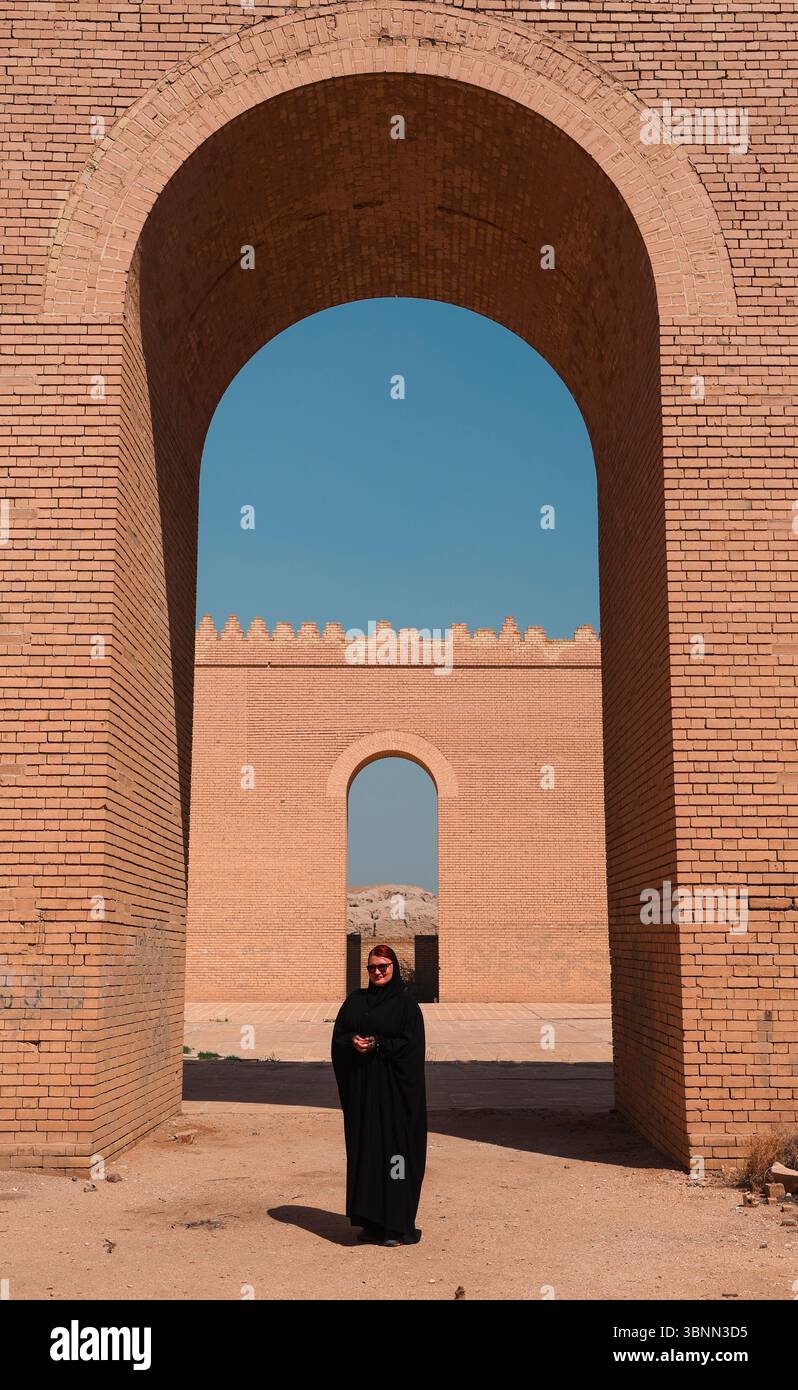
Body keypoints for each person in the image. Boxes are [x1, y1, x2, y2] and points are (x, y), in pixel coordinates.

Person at [331, 943, 427, 1246]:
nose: (377, 972)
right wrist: (352, 1043)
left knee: (395, 1158)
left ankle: (397, 1226)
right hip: (363, 1094)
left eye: (383, 966)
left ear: (393, 968)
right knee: (367, 1153)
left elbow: (412, 1047)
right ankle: (371, 1222)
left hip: (395, 1097)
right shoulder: (355, 1001)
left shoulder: (406, 1005)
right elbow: (339, 1036)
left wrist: (379, 1045)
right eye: (372, 967)